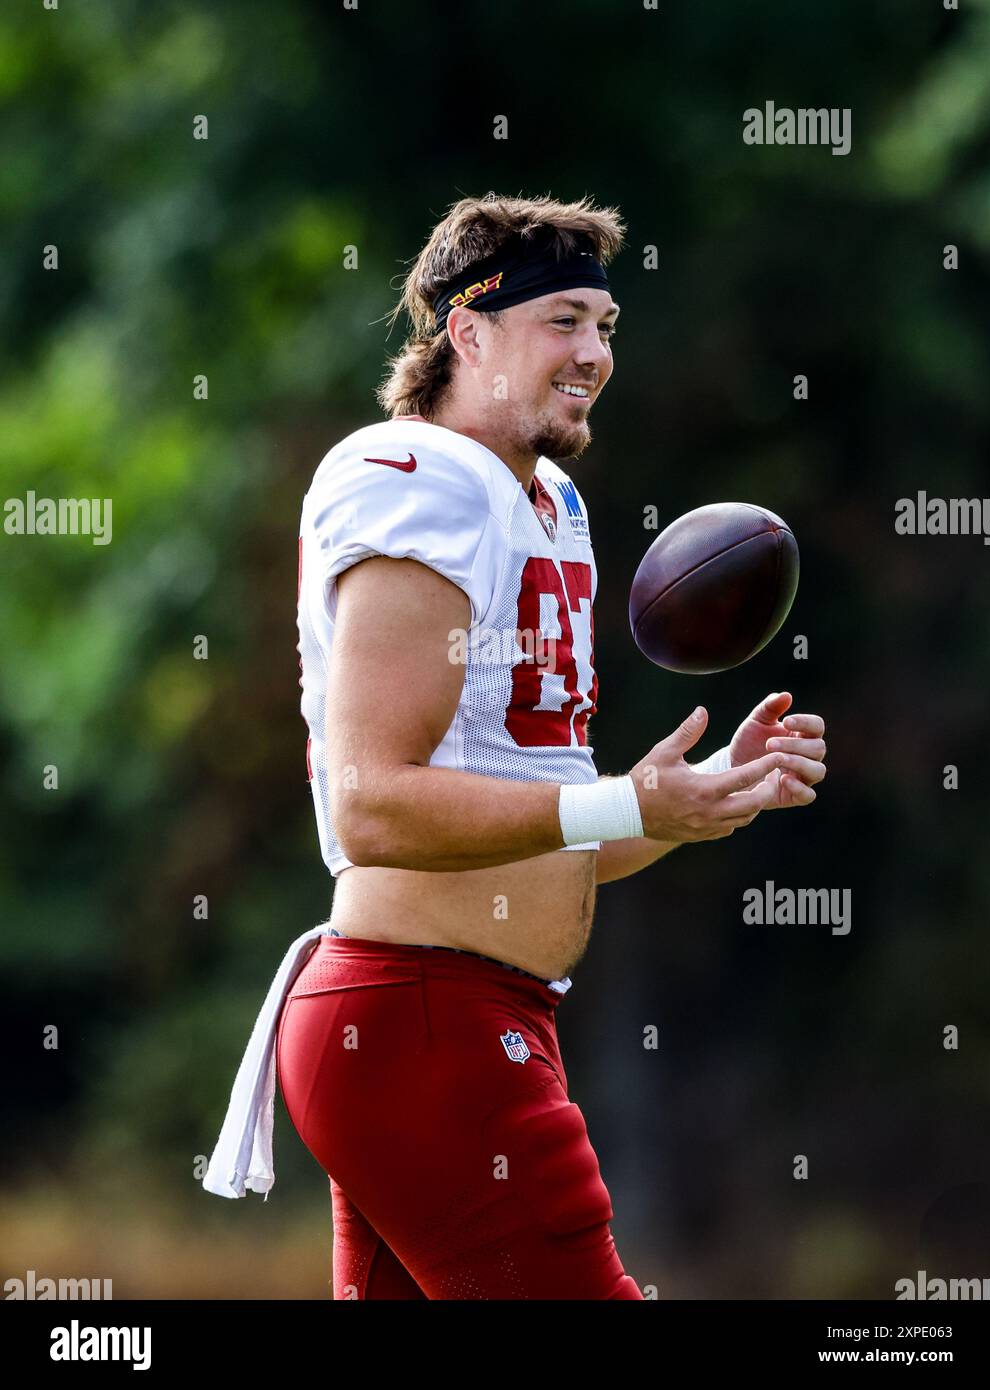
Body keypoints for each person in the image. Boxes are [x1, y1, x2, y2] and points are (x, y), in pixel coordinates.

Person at [202, 192, 827, 1299]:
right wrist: (622, 803)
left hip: (454, 1020)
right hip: (422, 1023)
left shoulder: (548, 504)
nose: (593, 353)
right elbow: (374, 810)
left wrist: (689, 802)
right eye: (563, 321)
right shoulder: (422, 479)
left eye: (605, 324)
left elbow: (539, 834)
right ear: (469, 332)